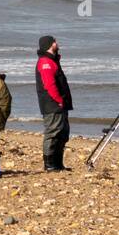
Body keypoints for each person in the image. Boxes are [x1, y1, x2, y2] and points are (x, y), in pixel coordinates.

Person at [34, 35, 73, 172]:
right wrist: (59, 100)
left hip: (59, 104)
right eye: (55, 41)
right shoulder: (45, 62)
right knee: (53, 133)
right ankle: (49, 164)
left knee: (62, 133)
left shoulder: (52, 60)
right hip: (52, 105)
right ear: (50, 44)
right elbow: (49, 85)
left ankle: (58, 163)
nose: (57, 43)